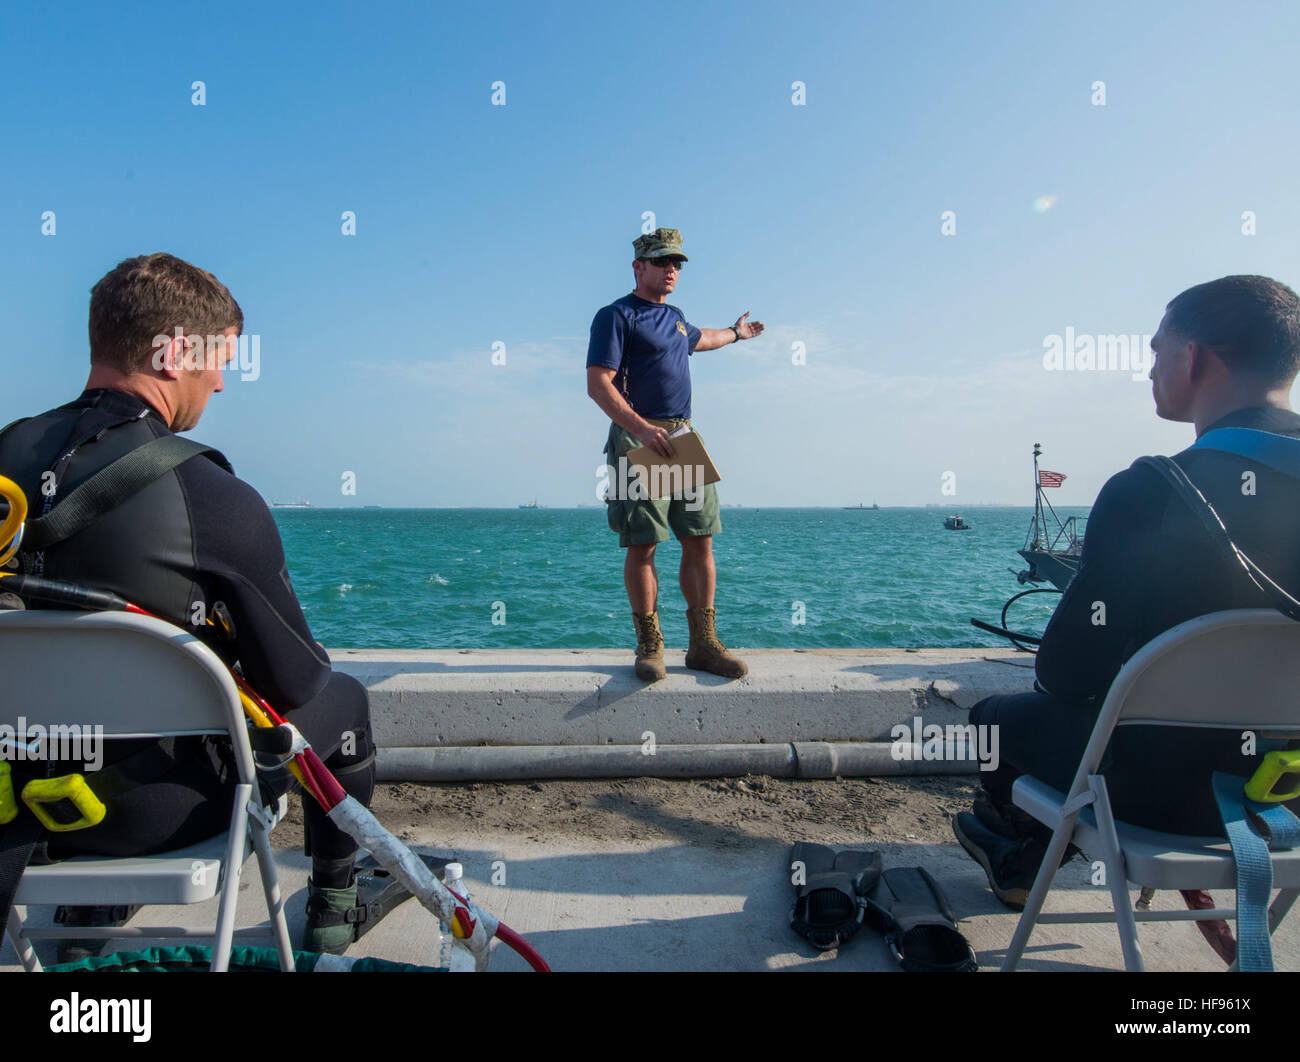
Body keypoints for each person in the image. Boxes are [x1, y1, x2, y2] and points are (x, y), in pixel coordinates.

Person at [0, 253, 384, 955]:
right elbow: (295, 683)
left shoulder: (6, 455)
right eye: (220, 359)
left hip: (10, 803)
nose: (221, 381)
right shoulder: (210, 496)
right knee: (344, 698)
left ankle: (89, 908)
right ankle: (335, 902)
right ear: (174, 353)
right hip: (147, 813)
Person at [954, 274, 1300, 908]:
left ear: (1193, 358)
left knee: (993, 720)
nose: (1149, 370)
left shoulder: (1150, 491)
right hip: (1287, 796)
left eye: (1156, 351)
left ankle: (1020, 862)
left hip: (1155, 799)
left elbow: (1063, 676)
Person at [586, 228, 764, 682]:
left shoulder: (677, 319)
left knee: (700, 538)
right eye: (662, 261)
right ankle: (650, 646)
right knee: (642, 543)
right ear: (638, 266)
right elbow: (598, 384)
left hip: (682, 436)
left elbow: (703, 339)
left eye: (677, 263)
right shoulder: (616, 316)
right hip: (637, 438)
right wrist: (641, 429)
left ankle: (704, 644)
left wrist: (737, 334)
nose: (671, 269)